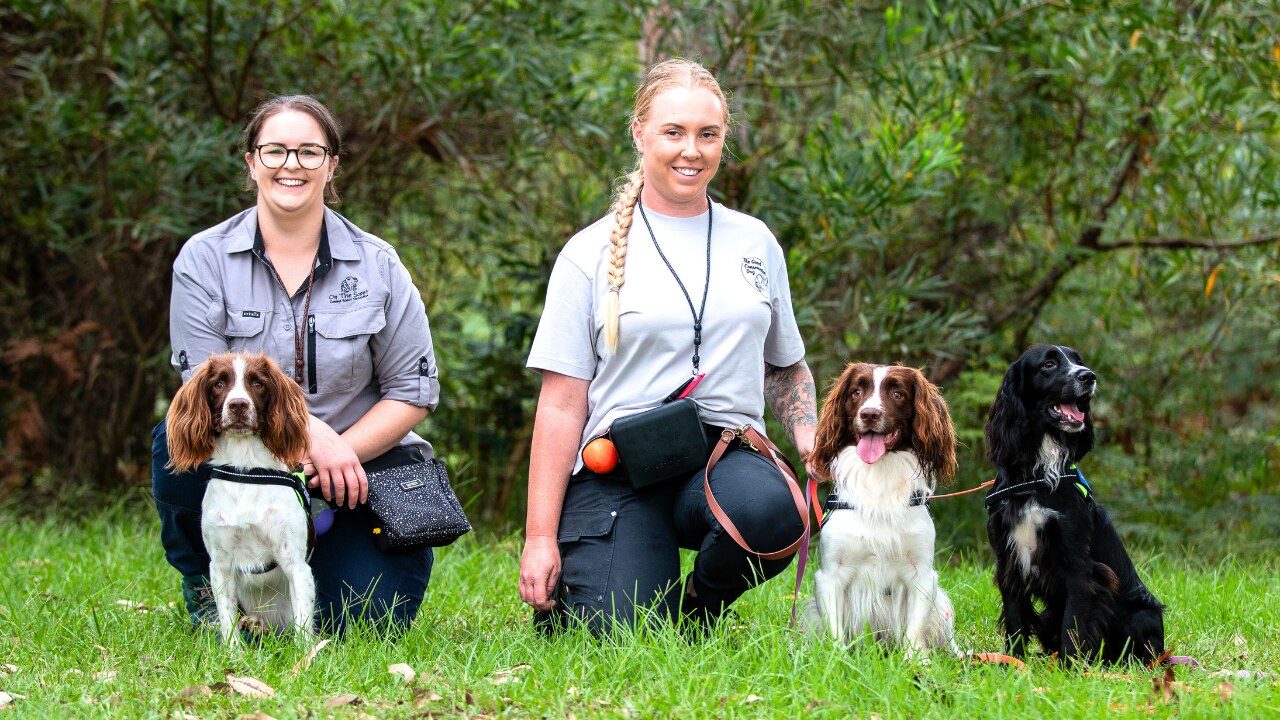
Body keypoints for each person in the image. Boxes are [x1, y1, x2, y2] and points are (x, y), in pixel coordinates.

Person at [518, 59, 820, 634]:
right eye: (674, 132)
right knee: (617, 638)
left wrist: (811, 440)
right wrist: (538, 539)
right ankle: (595, 583)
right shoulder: (587, 253)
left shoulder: (754, 242)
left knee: (776, 513)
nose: (692, 150)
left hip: (721, 459)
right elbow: (560, 404)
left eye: (708, 134)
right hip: (617, 467)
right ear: (639, 133)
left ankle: (697, 616)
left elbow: (785, 367)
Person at [151, 95, 440, 633]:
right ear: (251, 161)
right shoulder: (204, 258)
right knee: (169, 435)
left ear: (332, 164)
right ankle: (209, 589)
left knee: (359, 620)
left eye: (310, 152)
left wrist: (336, 450)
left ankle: (306, 580)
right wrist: (313, 434)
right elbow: (198, 385)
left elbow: (412, 390)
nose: (291, 165)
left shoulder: (378, 263)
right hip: (242, 457)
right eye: (276, 150)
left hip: (357, 471)